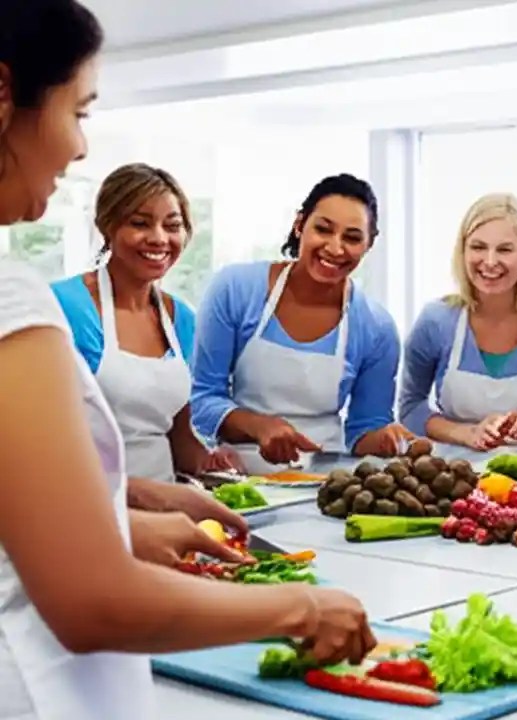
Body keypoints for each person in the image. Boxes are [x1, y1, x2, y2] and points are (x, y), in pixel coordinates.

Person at [0, 4, 376, 718]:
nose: (79, 147)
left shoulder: (172, 315)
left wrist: (131, 518)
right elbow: (91, 601)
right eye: (78, 111)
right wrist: (302, 609)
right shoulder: (17, 302)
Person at [190, 174, 414, 474]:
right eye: (323, 229)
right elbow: (201, 400)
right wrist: (259, 426)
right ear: (299, 224)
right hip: (239, 476)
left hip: (325, 482)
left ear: (369, 244)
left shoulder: (377, 327)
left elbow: (364, 428)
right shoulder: (235, 289)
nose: (335, 248)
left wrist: (387, 438)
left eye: (352, 237)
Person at [51, 163, 240, 484]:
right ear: (106, 226)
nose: (159, 238)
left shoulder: (182, 320)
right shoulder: (62, 307)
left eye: (173, 225)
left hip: (166, 503)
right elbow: (39, 438)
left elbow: (179, 436)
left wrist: (213, 462)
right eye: (140, 223)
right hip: (86, 503)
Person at [398, 192, 517, 463]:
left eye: (504, 249)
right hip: (447, 473)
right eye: (478, 247)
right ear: (463, 249)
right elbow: (410, 408)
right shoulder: (436, 321)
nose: (490, 262)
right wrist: (467, 433)